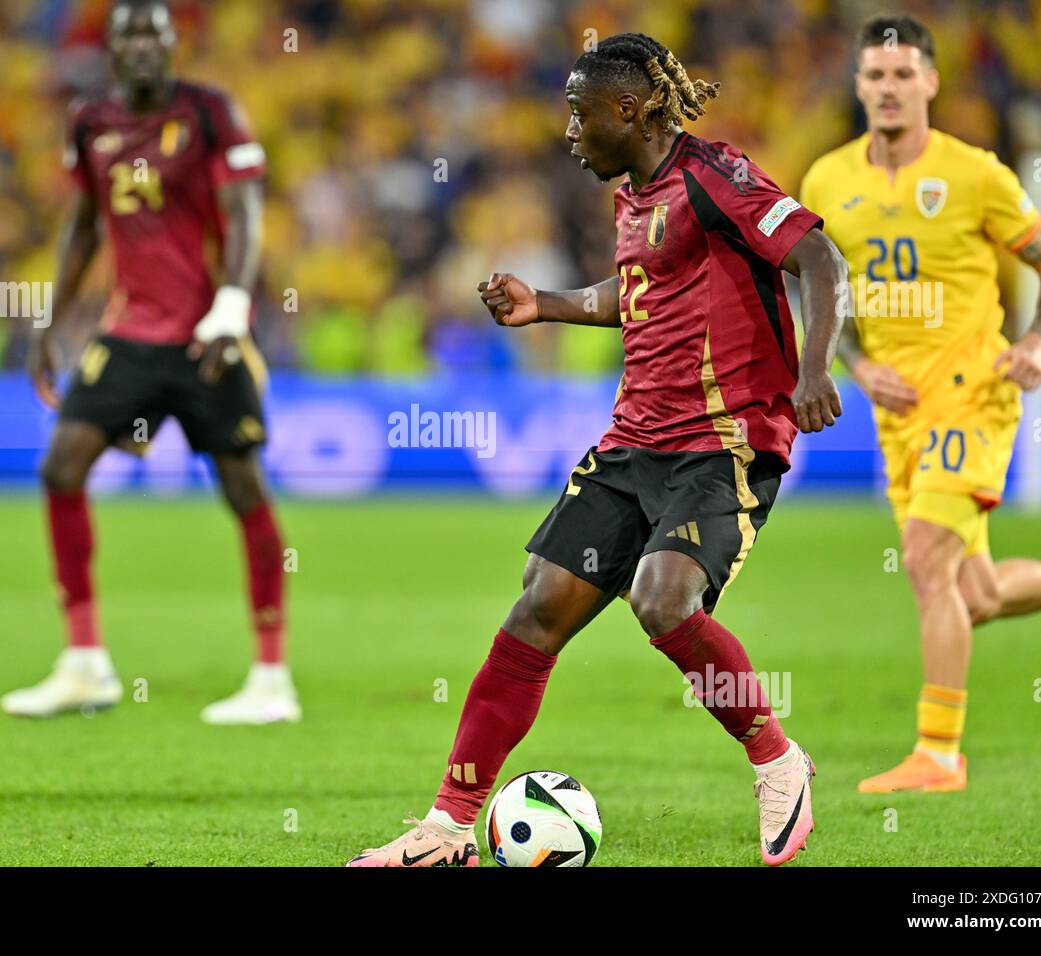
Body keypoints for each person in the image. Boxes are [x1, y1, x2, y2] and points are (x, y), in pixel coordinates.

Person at [349, 31, 847, 867]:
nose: (570, 133)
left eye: (581, 116)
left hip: (722, 443)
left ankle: (777, 758)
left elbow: (820, 259)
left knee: (663, 600)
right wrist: (543, 303)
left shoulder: (714, 176)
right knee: (538, 606)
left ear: (630, 110)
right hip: (634, 440)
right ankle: (444, 828)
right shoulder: (633, 195)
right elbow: (640, 288)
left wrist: (816, 367)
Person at [801, 14, 1041, 793]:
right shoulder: (827, 181)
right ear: (858, 86)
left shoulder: (976, 174)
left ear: (929, 80)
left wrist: (1037, 343)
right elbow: (823, 289)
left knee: (924, 559)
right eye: (875, 76)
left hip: (974, 391)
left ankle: (940, 753)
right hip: (898, 411)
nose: (889, 88)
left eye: (903, 74)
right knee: (971, 592)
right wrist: (853, 363)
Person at [1, 0, 298, 725]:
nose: (139, 47)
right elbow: (82, 223)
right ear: (110, 50)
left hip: (206, 335)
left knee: (242, 487)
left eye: (153, 35)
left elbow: (247, 214)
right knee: (60, 466)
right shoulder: (90, 123)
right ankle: (84, 663)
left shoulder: (209, 114)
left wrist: (231, 305)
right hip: (128, 334)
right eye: (126, 35)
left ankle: (270, 675)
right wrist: (53, 318)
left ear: (172, 45)